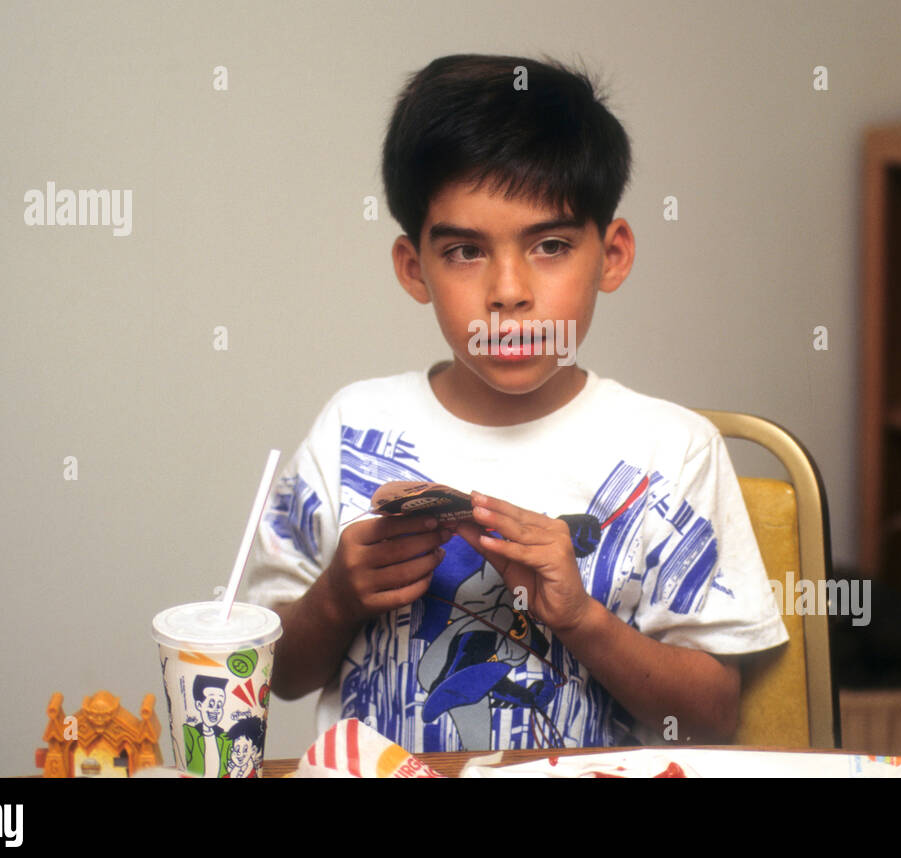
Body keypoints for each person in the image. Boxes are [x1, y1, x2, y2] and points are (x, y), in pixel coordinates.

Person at [245, 53, 789, 752]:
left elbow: (713, 713)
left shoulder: (672, 449)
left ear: (612, 254)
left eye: (551, 245)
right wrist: (338, 598)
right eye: (466, 251)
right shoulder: (352, 427)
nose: (508, 290)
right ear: (415, 268)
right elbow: (269, 677)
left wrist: (581, 617)